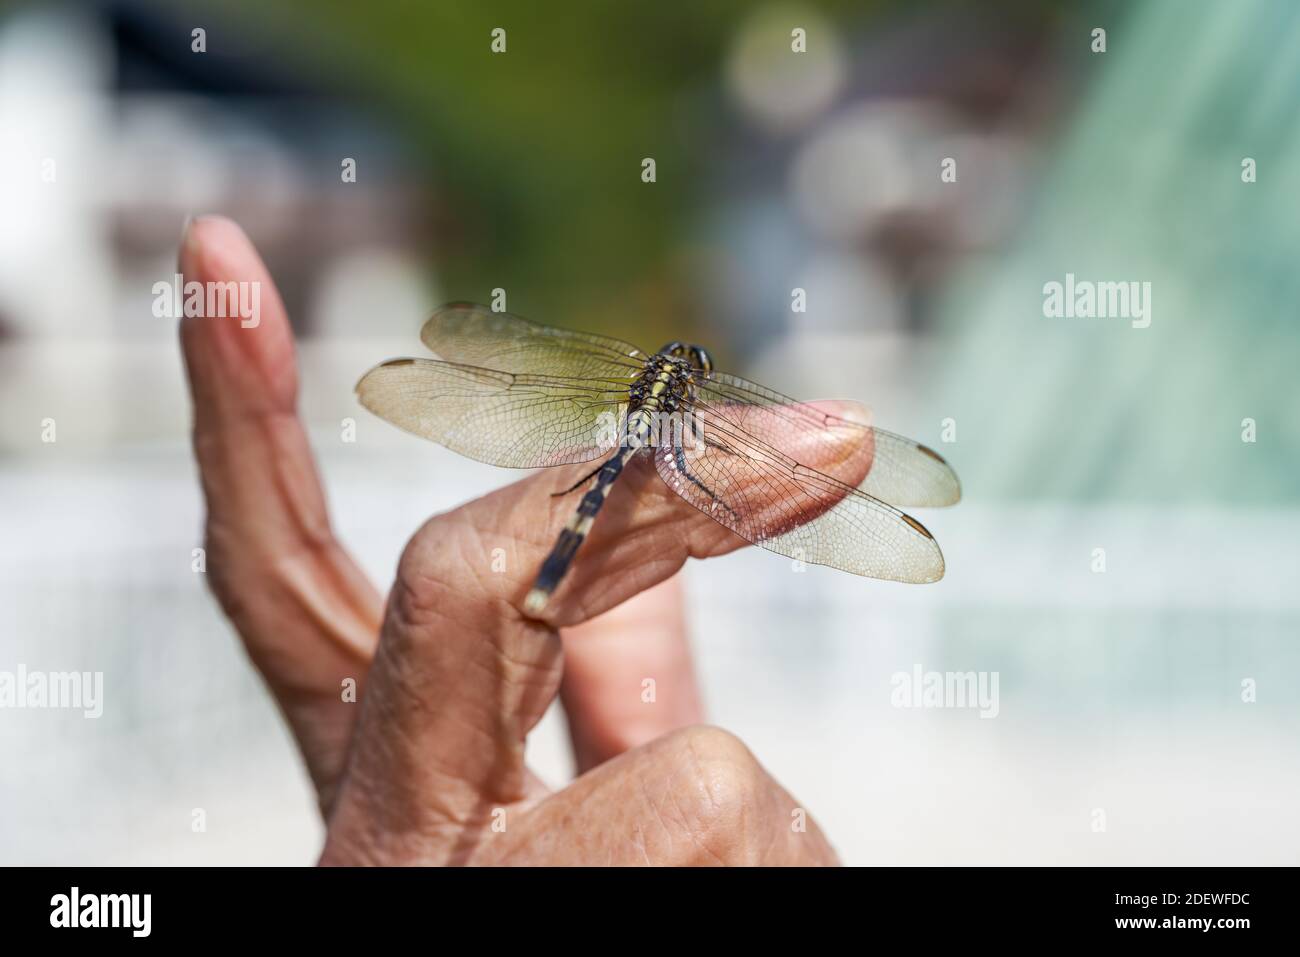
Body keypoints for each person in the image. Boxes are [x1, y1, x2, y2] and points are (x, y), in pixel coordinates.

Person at [178, 216, 840, 865]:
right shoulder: (684, 405)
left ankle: (559, 561)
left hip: (610, 460)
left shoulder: (639, 380)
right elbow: (684, 448)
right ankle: (558, 569)